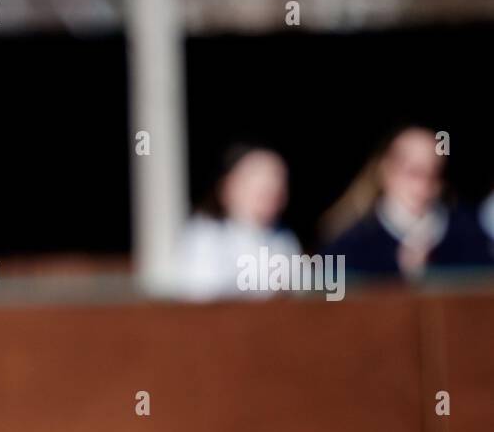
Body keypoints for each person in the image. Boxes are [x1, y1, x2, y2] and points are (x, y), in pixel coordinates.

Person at [321, 125, 494, 280]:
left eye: (433, 174)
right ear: (386, 171)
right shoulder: (352, 242)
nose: (423, 185)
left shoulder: (468, 233)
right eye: (413, 172)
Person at [176, 145, 302, 301]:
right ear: (228, 187)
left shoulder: (284, 238)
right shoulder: (204, 237)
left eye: (277, 181)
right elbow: (202, 294)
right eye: (260, 187)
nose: (272, 188)